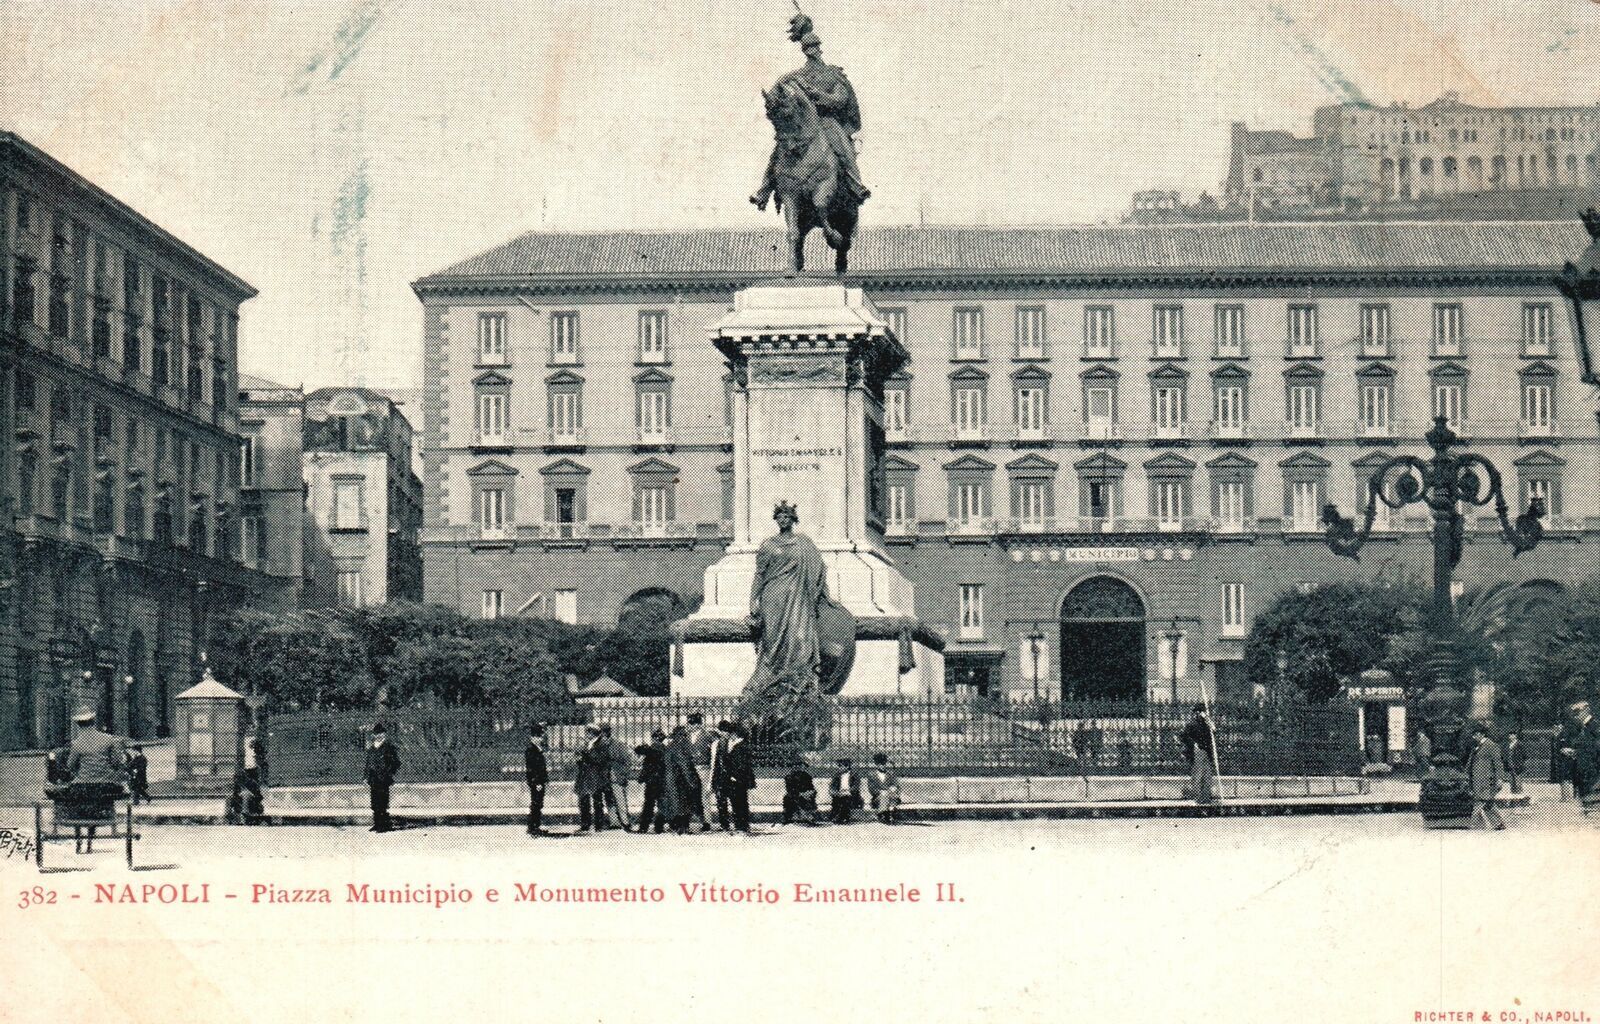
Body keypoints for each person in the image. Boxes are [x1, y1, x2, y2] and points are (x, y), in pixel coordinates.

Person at [751, 13, 870, 210]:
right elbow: (775, 97)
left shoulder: (833, 74)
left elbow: (841, 100)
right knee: (777, 153)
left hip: (827, 121)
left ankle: (856, 185)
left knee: (843, 147)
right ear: (804, 50)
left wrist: (816, 95)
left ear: (820, 48)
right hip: (801, 126)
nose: (813, 51)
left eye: (815, 47)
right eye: (808, 48)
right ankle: (764, 190)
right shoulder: (794, 77)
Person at [662, 725, 703, 835]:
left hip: (670, 779)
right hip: (680, 780)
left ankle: (678, 828)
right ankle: (683, 828)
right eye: (684, 735)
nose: (686, 738)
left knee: (676, 804)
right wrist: (692, 781)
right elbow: (684, 765)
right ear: (680, 736)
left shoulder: (670, 746)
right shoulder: (680, 747)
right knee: (684, 804)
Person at [1562, 699, 1600, 816]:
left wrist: (1576, 752)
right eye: (1574, 713)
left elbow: (1595, 748)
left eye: (1578, 712)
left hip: (1593, 769)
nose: (1576, 715)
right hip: (1585, 769)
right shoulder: (1584, 727)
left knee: (1592, 805)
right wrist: (1574, 752)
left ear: (1587, 710)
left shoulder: (1594, 726)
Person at [1466, 723, 1506, 830]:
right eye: (1473, 735)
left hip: (1486, 780)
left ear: (1482, 734)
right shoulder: (1477, 746)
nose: (1474, 737)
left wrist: (1500, 779)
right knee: (1488, 803)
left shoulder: (1491, 745)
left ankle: (1473, 824)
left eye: (1476, 734)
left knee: (1480, 801)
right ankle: (1498, 824)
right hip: (1477, 779)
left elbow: (1498, 763)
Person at [573, 724, 610, 834]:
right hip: (584, 776)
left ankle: (599, 825)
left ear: (593, 733)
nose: (586, 734)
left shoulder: (602, 744)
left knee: (597, 801)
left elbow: (600, 760)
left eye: (588, 732)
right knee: (583, 801)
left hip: (596, 776)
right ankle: (585, 825)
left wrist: (585, 755)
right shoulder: (587, 744)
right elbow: (583, 758)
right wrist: (579, 759)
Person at [364, 723, 400, 833]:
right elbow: (368, 763)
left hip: (383, 778)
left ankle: (384, 825)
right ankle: (376, 823)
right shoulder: (371, 748)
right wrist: (365, 776)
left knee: (383, 801)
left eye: (381, 733)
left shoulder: (389, 747)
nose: (378, 735)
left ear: (384, 734)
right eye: (376, 733)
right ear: (374, 735)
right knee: (374, 802)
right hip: (373, 778)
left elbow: (396, 763)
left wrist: (389, 773)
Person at [722, 722, 756, 833]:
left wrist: (734, 776)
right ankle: (742, 826)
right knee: (739, 802)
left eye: (731, 733)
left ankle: (742, 827)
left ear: (735, 734)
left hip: (738, 779)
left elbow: (741, 764)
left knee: (739, 803)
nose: (729, 735)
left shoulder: (740, 746)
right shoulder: (739, 745)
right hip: (738, 779)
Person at [1181, 704, 1218, 805]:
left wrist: (1210, 723)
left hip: (1207, 752)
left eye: (1200, 712)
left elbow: (1214, 733)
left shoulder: (1207, 724)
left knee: (1207, 775)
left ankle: (1206, 798)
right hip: (1198, 752)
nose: (1198, 714)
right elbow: (1184, 736)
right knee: (1197, 775)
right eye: (1197, 713)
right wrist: (1194, 744)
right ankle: (1197, 798)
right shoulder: (1191, 724)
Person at [600, 723, 634, 831]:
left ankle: (625, 822)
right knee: (609, 800)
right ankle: (614, 822)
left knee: (620, 800)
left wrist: (623, 774)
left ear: (609, 732)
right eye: (602, 732)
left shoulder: (618, 744)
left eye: (605, 731)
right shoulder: (600, 745)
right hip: (605, 777)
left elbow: (627, 761)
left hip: (616, 777)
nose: (603, 734)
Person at [685, 713, 716, 832]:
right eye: (690, 723)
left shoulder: (708, 735)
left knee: (705, 795)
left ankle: (707, 822)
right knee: (690, 795)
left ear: (699, 724)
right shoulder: (687, 736)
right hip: (691, 769)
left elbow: (714, 752)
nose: (691, 726)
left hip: (704, 768)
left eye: (693, 723)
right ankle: (689, 821)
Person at [635, 730, 668, 835]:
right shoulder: (665, 749)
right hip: (662, 780)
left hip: (652, 781)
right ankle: (659, 827)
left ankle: (644, 827)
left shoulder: (653, 748)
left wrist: (641, 778)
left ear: (654, 738)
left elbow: (639, 750)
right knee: (661, 804)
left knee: (649, 804)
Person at [709, 721, 735, 832]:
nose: (725, 733)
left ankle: (728, 824)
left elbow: (714, 762)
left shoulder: (730, 743)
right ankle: (725, 824)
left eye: (727, 732)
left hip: (725, 776)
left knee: (729, 800)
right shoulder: (717, 744)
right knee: (721, 801)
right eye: (724, 731)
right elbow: (713, 761)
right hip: (720, 776)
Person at [525, 724, 549, 837]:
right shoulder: (531, 750)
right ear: (532, 738)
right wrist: (537, 782)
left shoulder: (537, 749)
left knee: (538, 803)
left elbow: (541, 767)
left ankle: (535, 826)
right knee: (536, 803)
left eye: (540, 736)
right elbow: (532, 769)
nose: (539, 739)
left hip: (540, 781)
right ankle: (533, 827)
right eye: (536, 736)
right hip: (536, 782)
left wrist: (544, 779)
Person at [867, 753, 902, 824]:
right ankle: (887, 814)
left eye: (884, 763)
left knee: (890, 794)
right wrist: (880, 792)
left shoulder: (890, 774)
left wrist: (893, 788)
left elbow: (896, 785)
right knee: (884, 795)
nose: (882, 766)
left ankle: (883, 813)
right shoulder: (871, 775)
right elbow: (871, 789)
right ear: (876, 764)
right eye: (880, 764)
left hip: (890, 795)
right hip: (878, 798)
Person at [782, 760, 819, 825]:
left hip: (806, 793)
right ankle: (792, 817)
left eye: (800, 766)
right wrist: (801, 794)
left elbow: (811, 787)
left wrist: (810, 792)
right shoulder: (789, 777)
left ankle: (808, 817)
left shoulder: (807, 776)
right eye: (796, 766)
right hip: (795, 794)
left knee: (809, 798)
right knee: (789, 798)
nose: (798, 768)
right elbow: (790, 789)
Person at [828, 757, 861, 824]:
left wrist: (848, 792)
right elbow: (832, 786)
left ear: (847, 766)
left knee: (845, 799)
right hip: (839, 794)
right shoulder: (836, 775)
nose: (839, 768)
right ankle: (839, 817)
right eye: (839, 766)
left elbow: (856, 786)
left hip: (851, 794)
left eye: (841, 766)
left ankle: (842, 817)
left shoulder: (854, 775)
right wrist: (834, 792)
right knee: (838, 800)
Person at [1550, 720, 1575, 801]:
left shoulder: (1564, 735)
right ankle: (1564, 796)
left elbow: (1568, 747)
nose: (1557, 727)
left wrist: (1566, 750)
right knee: (1562, 778)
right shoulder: (1555, 736)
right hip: (1559, 759)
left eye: (1559, 726)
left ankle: (1566, 796)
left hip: (1565, 759)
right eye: (1555, 726)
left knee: (1565, 778)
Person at [1503, 731, 1526, 796]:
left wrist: (1520, 763)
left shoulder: (1520, 744)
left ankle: (1519, 797)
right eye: (1510, 735)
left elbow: (1524, 755)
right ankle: (1513, 796)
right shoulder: (1508, 744)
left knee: (1518, 781)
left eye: (1512, 735)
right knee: (1511, 781)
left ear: (1515, 736)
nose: (1510, 736)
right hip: (1509, 765)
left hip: (1517, 765)